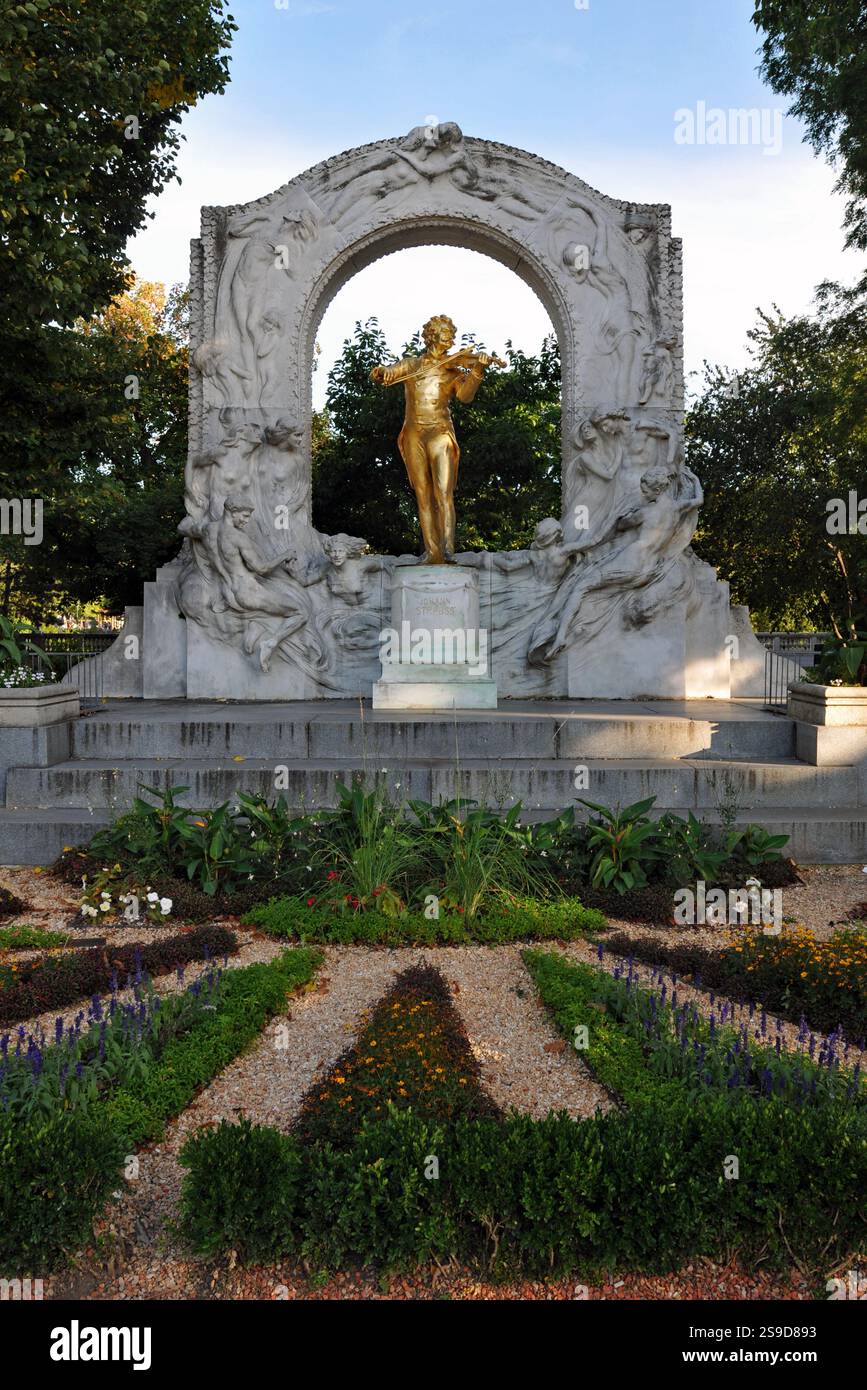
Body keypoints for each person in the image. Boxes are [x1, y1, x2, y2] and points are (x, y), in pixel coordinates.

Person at [370, 314, 504, 563]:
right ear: (432, 335)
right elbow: (387, 373)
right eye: (446, 333)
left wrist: (478, 370)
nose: (451, 339)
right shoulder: (410, 365)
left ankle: (448, 549)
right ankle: (432, 552)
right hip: (413, 433)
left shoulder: (453, 369)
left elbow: (465, 397)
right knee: (422, 493)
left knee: (443, 492)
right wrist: (380, 372)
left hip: (440, 432)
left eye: (452, 335)